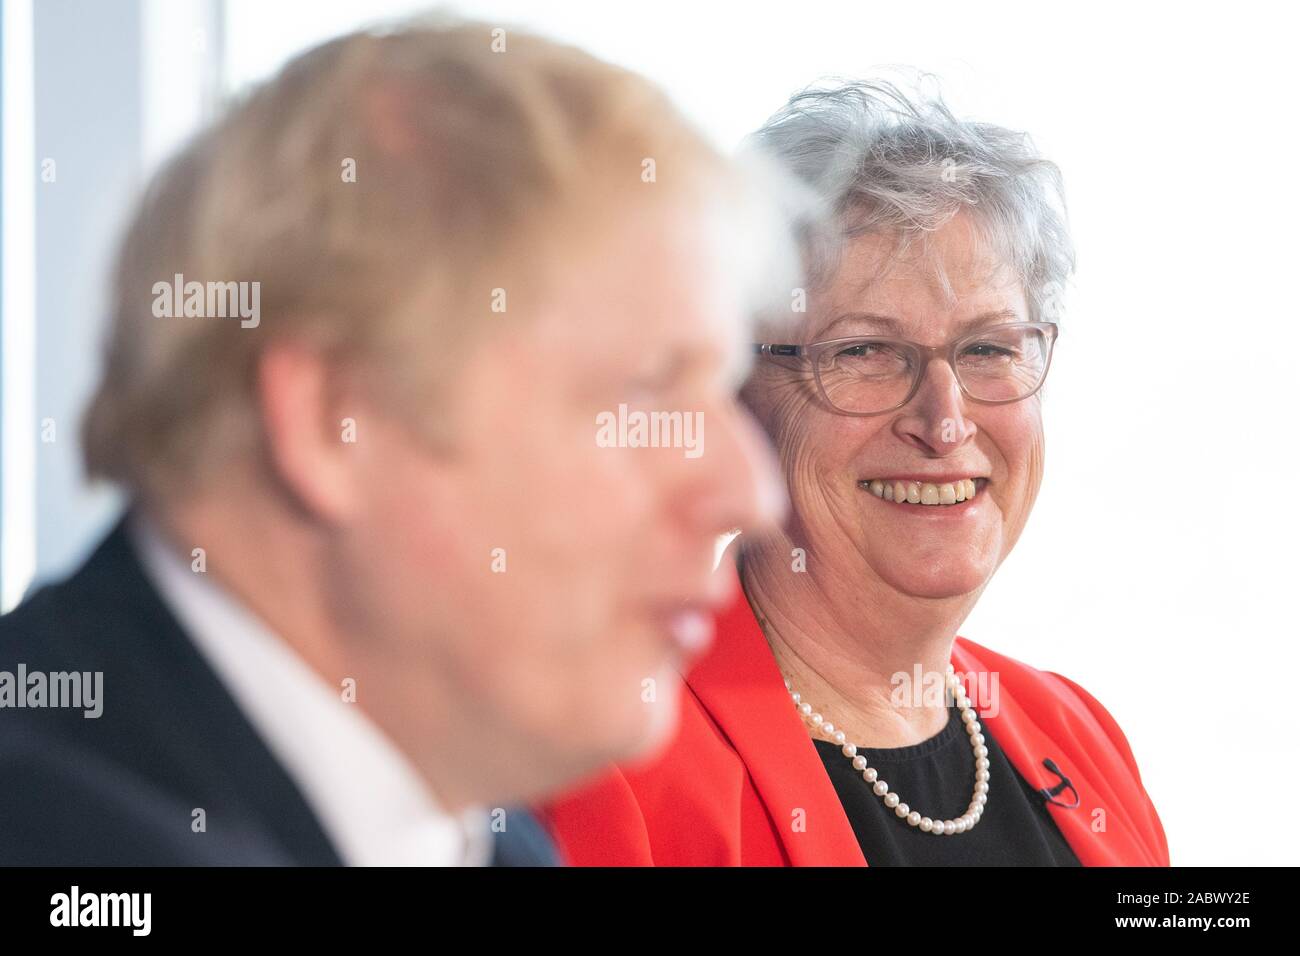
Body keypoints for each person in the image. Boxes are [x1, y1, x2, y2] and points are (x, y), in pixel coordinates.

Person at [0, 15, 793, 865]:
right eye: (644, 394)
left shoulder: (479, 834)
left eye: (719, 391)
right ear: (332, 421)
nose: (751, 494)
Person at [541, 80, 1170, 866]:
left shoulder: (1082, 736)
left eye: (989, 348)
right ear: (735, 390)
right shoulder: (610, 768)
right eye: (864, 351)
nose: (944, 422)